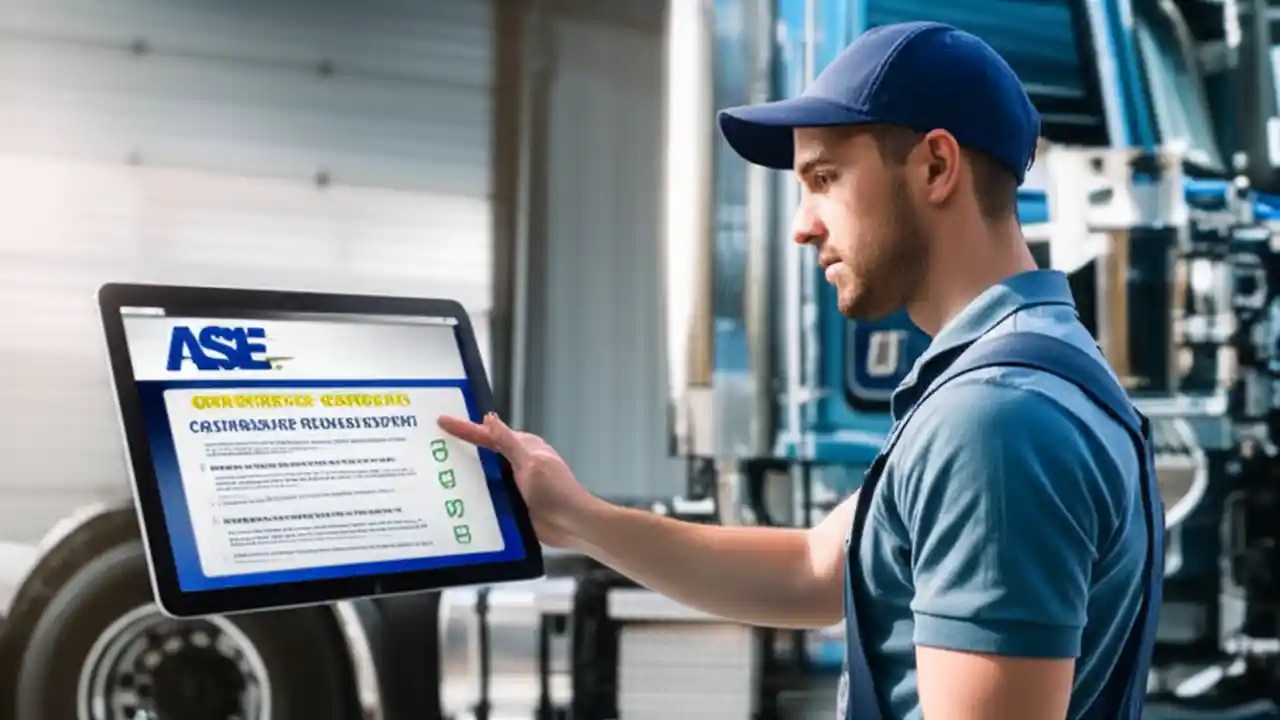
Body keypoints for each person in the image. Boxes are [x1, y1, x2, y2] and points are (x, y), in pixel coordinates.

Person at [440, 20, 1161, 720]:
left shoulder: (996, 420)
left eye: (825, 178)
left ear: (936, 167)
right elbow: (815, 567)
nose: (801, 223)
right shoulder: (1025, 370)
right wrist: (579, 517)